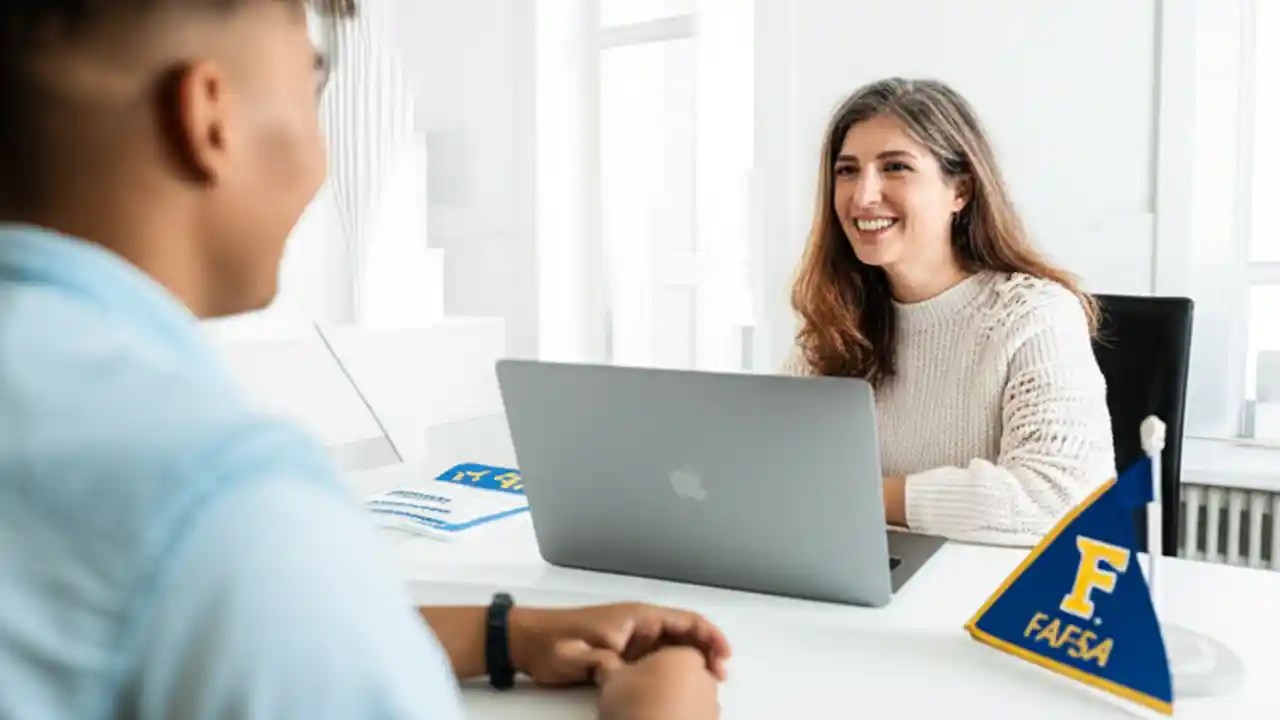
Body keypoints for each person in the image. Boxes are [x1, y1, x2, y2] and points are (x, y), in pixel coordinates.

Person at [0, 2, 727, 718]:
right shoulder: (220, 489)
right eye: (313, 84)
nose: (322, 161)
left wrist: (504, 632)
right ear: (210, 116)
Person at [787, 77, 1115, 547]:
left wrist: (865, 497)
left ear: (959, 190)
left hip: (989, 599)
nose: (862, 196)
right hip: (867, 583)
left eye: (895, 167)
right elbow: (777, 465)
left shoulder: (1035, 315)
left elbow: (1059, 496)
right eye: (847, 171)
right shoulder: (838, 319)